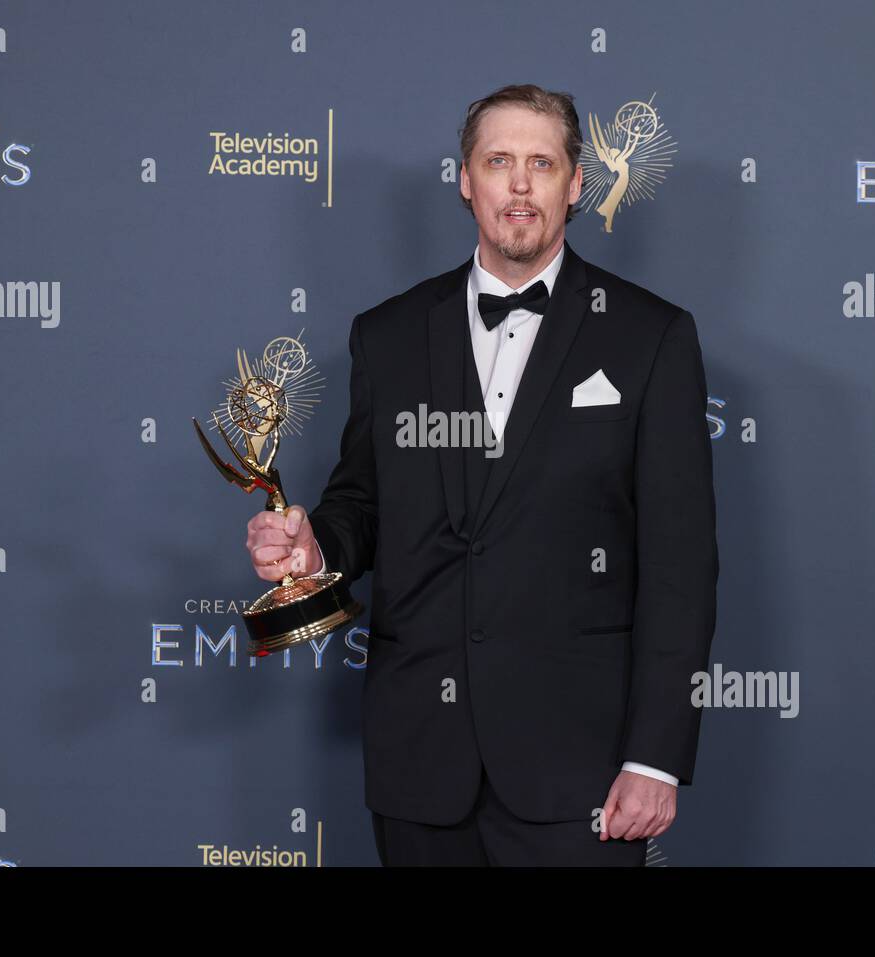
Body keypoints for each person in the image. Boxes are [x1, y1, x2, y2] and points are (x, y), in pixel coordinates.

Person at [244, 83, 718, 866]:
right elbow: (360, 503)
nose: (521, 183)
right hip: (420, 762)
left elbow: (681, 568)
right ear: (466, 179)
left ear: (575, 183)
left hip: (582, 767)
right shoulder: (388, 335)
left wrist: (654, 756)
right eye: (499, 161)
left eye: (542, 162)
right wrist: (313, 549)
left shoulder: (651, 337)